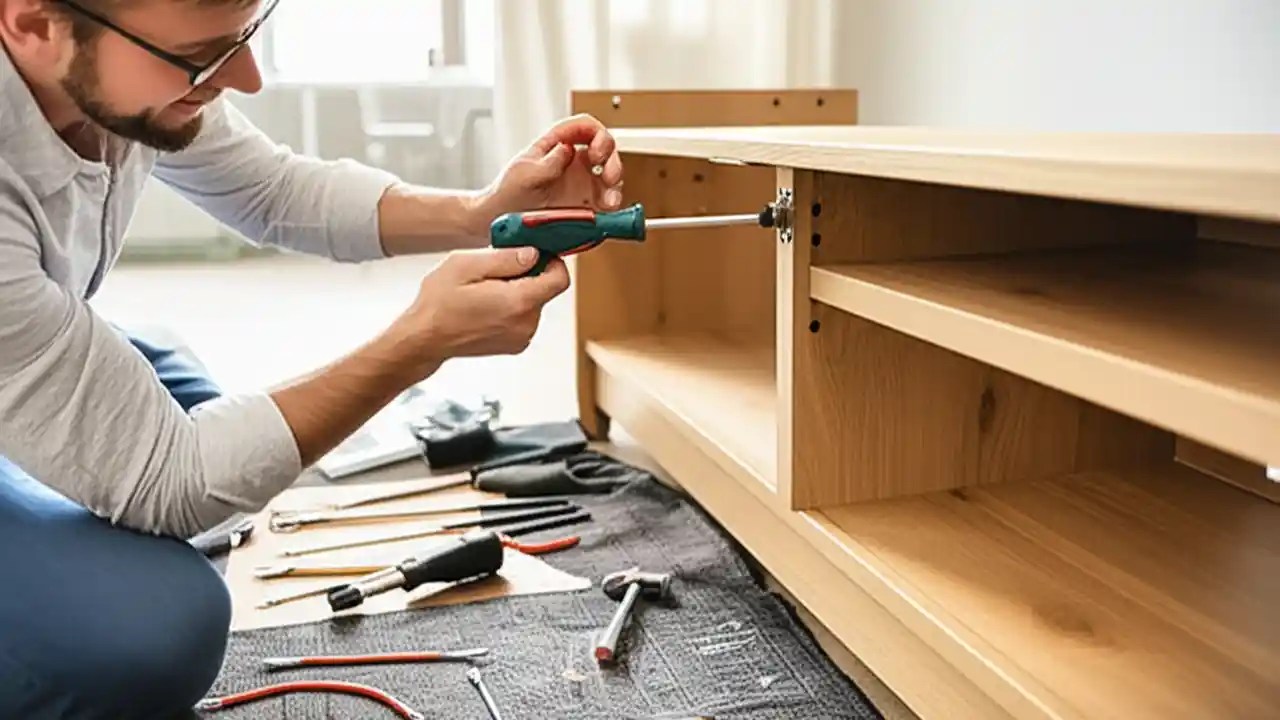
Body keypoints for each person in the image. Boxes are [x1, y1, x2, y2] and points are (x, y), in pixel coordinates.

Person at [0, 1, 625, 717]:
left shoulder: (117, 67)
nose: (248, 78)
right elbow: (174, 478)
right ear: (33, 24)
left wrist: (483, 210)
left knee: (206, 427)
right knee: (159, 629)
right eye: (201, 56)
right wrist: (420, 341)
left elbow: (273, 189)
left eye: (247, 33)